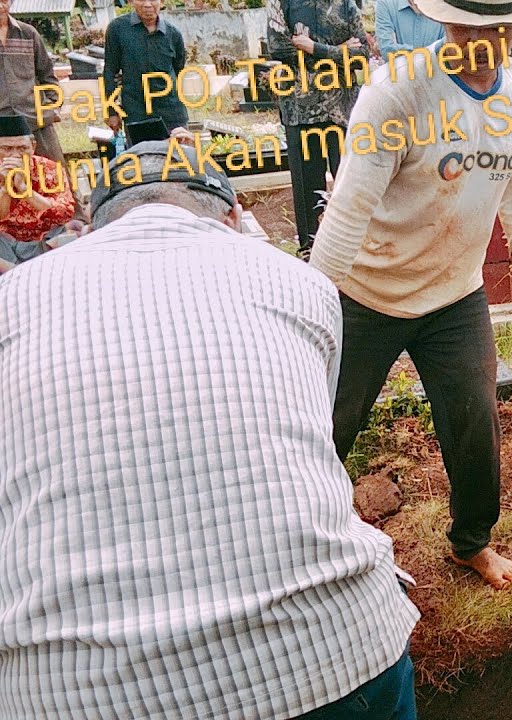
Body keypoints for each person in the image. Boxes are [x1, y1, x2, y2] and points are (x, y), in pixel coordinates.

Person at [0, 140, 420, 719]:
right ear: (232, 215)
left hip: (80, 691)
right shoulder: (299, 283)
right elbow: (315, 431)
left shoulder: (10, 301)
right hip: (332, 656)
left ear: (90, 227)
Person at [310, 0, 512, 591]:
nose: (477, 39)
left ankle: (471, 543)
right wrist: (313, 304)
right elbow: (350, 208)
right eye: (464, 25)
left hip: (455, 294)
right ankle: (300, 541)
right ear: (443, 22)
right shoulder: (397, 93)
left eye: (493, 28)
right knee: (326, 426)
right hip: (367, 293)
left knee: (474, 422)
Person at [268, 0, 367, 251]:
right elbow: (279, 48)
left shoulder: (344, 4)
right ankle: (309, 253)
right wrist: (339, 50)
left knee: (350, 186)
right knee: (306, 193)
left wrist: (314, 47)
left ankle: (356, 254)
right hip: (300, 113)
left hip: (341, 112)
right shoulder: (281, 3)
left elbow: (362, 55)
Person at [103, 0, 190, 137]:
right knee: (141, 157)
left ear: (161, 2)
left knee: (176, 156)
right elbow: (110, 71)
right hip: (136, 113)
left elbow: (178, 69)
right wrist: (112, 111)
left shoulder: (173, 34)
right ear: (131, 2)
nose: (147, 4)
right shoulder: (117, 29)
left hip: (172, 114)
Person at [0, 115, 74, 268]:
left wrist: (24, 190)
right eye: (7, 149)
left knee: (65, 229)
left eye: (22, 148)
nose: (14, 155)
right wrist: (6, 187)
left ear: (33, 147)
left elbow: (64, 212)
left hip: (41, 243)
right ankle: (13, 271)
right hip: (4, 247)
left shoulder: (49, 168)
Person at [0, 0, 63, 163]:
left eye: (3, 0)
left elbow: (48, 76)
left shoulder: (28, 34)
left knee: (55, 175)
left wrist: (52, 109)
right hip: (1, 123)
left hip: (35, 120)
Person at [375, 0, 444, 56]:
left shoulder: (445, 7)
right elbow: (387, 49)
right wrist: (431, 52)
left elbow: (449, 48)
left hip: (438, 71)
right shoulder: (386, 3)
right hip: (399, 72)